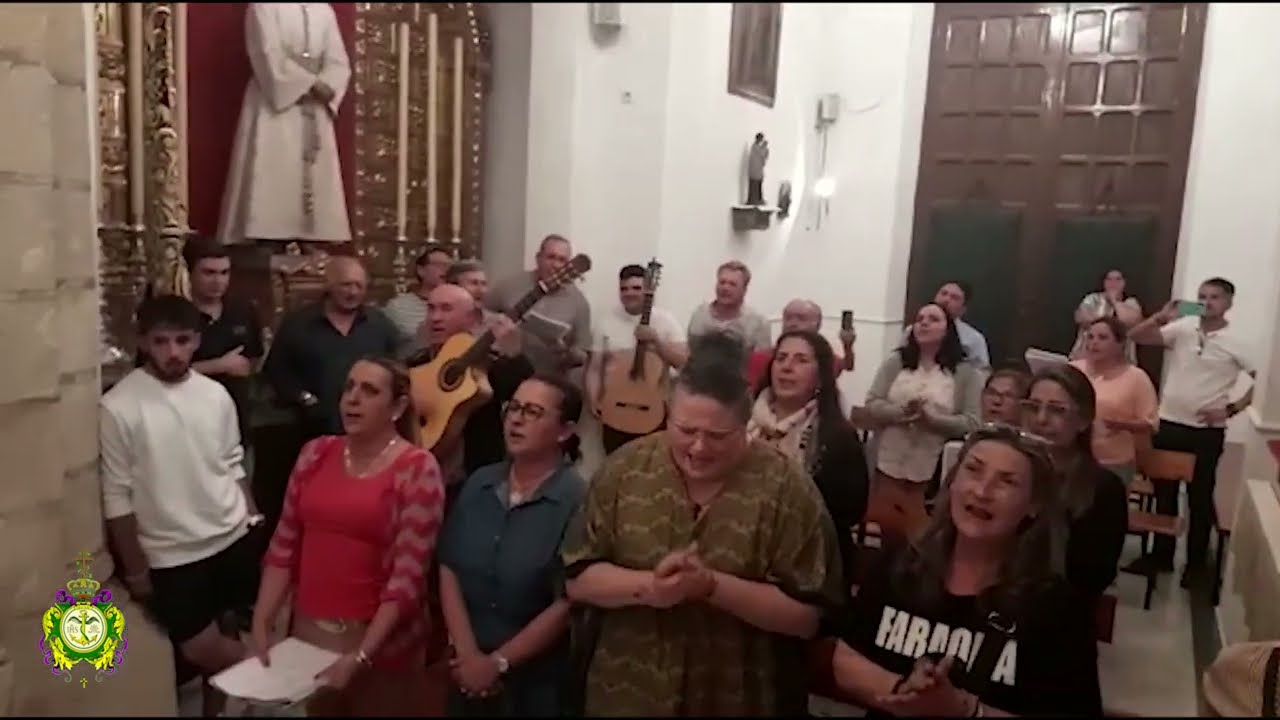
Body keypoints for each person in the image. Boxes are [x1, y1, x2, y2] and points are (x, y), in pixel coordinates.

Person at [562, 331, 843, 716]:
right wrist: (649, 588)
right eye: (686, 431)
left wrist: (711, 587)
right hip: (627, 691)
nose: (698, 448)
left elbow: (807, 617)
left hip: (737, 693)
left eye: (716, 436)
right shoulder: (624, 471)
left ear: (745, 425)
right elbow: (577, 577)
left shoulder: (788, 490)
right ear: (667, 412)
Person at [830, 424, 1103, 717]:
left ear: (1033, 505)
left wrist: (965, 711)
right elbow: (847, 659)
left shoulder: (1056, 607)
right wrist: (904, 691)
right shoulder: (902, 564)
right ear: (952, 483)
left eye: (1007, 482)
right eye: (973, 470)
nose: (983, 491)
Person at [252, 356, 445, 716]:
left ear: (398, 406)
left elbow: (407, 579)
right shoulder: (315, 453)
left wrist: (360, 656)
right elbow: (284, 543)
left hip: (379, 645)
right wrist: (263, 619)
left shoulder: (417, 469)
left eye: (369, 391)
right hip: (309, 636)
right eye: (349, 388)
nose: (352, 399)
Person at [100, 295, 262, 714]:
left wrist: (252, 517)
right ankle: (268, 675)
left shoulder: (215, 395)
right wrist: (136, 570)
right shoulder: (118, 406)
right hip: (172, 554)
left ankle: (218, 709)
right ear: (143, 342)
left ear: (197, 340)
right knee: (200, 647)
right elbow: (117, 495)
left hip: (231, 535)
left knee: (230, 627)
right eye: (161, 341)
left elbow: (231, 462)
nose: (173, 352)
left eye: (183, 340)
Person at [439, 374, 587, 716]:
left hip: (536, 682)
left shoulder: (578, 499)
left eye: (533, 412)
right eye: (514, 408)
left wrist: (497, 663)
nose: (517, 420)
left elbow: (568, 601)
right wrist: (468, 655)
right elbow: (449, 566)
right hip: (466, 667)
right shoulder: (480, 483)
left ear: (564, 431)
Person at [1126, 277, 1256, 587]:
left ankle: (1196, 565)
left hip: (1206, 431)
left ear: (1229, 303)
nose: (1207, 302)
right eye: (1202, 296)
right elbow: (1134, 337)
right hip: (1169, 423)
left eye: (1215, 297)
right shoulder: (1182, 329)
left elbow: (1263, 382)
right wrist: (1161, 316)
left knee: (1199, 498)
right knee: (1164, 493)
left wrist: (1230, 410)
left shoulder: (1238, 342)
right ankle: (1162, 557)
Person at [218, 2, 352, 244]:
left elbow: (338, 60)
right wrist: (309, 83)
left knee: (316, 172)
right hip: (274, 105)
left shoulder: (324, 11)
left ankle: (310, 241)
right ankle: (267, 237)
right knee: (272, 164)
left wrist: (328, 84)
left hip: (316, 105)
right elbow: (266, 52)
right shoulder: (263, 8)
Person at [751, 329, 869, 595]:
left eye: (801, 360)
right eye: (781, 358)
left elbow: (851, 510)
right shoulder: (742, 423)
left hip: (809, 562)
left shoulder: (837, 436)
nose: (787, 367)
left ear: (821, 375)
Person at [1021, 364, 1128, 600]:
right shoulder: (1013, 471)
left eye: (1057, 411)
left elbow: (1093, 578)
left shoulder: (1103, 488)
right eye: (1033, 407)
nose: (1041, 419)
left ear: (1083, 421)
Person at [262, 256, 399, 438]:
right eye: (346, 285)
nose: (353, 292)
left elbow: (396, 371)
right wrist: (305, 399)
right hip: (311, 430)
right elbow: (276, 371)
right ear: (329, 285)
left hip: (368, 431)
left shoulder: (380, 325)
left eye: (359, 286)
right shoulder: (298, 324)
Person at [867, 303, 982, 503]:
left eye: (933, 319)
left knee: (919, 528)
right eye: (920, 319)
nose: (924, 323)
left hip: (933, 468)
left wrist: (933, 420)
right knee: (888, 523)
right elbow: (871, 403)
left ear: (948, 329)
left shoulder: (965, 372)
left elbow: (972, 422)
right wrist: (901, 412)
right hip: (887, 460)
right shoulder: (896, 361)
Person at [587, 263, 687, 453]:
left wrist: (656, 341)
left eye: (636, 288)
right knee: (613, 463)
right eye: (624, 288)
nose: (629, 293)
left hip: (652, 410)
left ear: (649, 290)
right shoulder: (606, 321)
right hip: (615, 407)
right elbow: (594, 367)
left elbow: (683, 363)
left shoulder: (666, 321)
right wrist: (593, 398)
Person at [1070, 317, 1158, 486]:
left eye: (1102, 338)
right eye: (1090, 337)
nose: (1094, 343)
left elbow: (1150, 424)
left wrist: (1120, 425)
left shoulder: (1136, 378)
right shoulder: (1074, 369)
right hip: (1075, 457)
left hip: (1113, 462)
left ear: (1120, 344)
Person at [487, 235, 590, 375]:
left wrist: (566, 352)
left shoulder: (579, 302)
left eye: (562, 260)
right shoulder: (508, 286)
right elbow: (480, 319)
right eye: (551, 257)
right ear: (538, 258)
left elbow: (582, 354)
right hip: (500, 371)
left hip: (546, 378)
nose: (556, 265)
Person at [744, 299, 856, 388]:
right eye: (788, 318)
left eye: (801, 318)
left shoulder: (824, 359)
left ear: (817, 324)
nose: (793, 324)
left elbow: (846, 366)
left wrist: (848, 346)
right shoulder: (760, 358)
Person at [686, 260, 772, 355]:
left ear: (744, 290)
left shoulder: (758, 323)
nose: (725, 288)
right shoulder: (700, 314)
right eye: (722, 282)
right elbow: (690, 352)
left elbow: (761, 362)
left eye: (732, 284)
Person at [385, 244, 453, 359]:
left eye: (448, 266)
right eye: (439, 265)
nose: (445, 270)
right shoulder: (397, 307)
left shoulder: (456, 305)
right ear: (421, 270)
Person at [902, 281, 989, 369]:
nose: (946, 300)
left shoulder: (974, 339)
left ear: (962, 310)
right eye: (943, 293)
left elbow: (982, 373)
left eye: (954, 298)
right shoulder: (912, 330)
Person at [1070, 269, 1143, 361]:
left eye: (1118, 279)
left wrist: (1114, 301)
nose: (1113, 283)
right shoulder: (1092, 299)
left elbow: (1130, 322)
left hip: (1120, 363)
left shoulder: (1131, 303)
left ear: (1124, 283)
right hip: (1085, 358)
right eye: (1109, 279)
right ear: (1104, 282)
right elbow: (1082, 318)